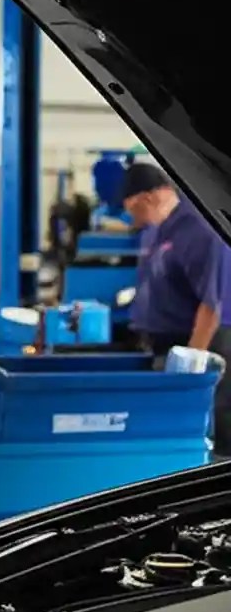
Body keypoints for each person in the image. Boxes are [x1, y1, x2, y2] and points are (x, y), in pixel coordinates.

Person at [123, 161, 231, 455]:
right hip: (166, 345)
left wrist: (192, 369)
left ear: (149, 197)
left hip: (203, 342)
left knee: (210, 421)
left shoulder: (197, 228)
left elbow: (211, 305)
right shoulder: (156, 228)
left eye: (134, 209)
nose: (133, 219)